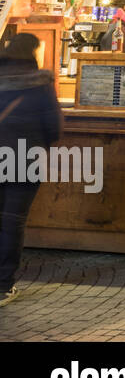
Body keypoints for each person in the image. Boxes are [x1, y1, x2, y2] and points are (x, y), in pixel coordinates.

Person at [0, 34, 63, 307]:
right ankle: (2, 286)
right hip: (24, 160)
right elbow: (54, 128)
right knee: (12, 222)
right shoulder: (41, 83)